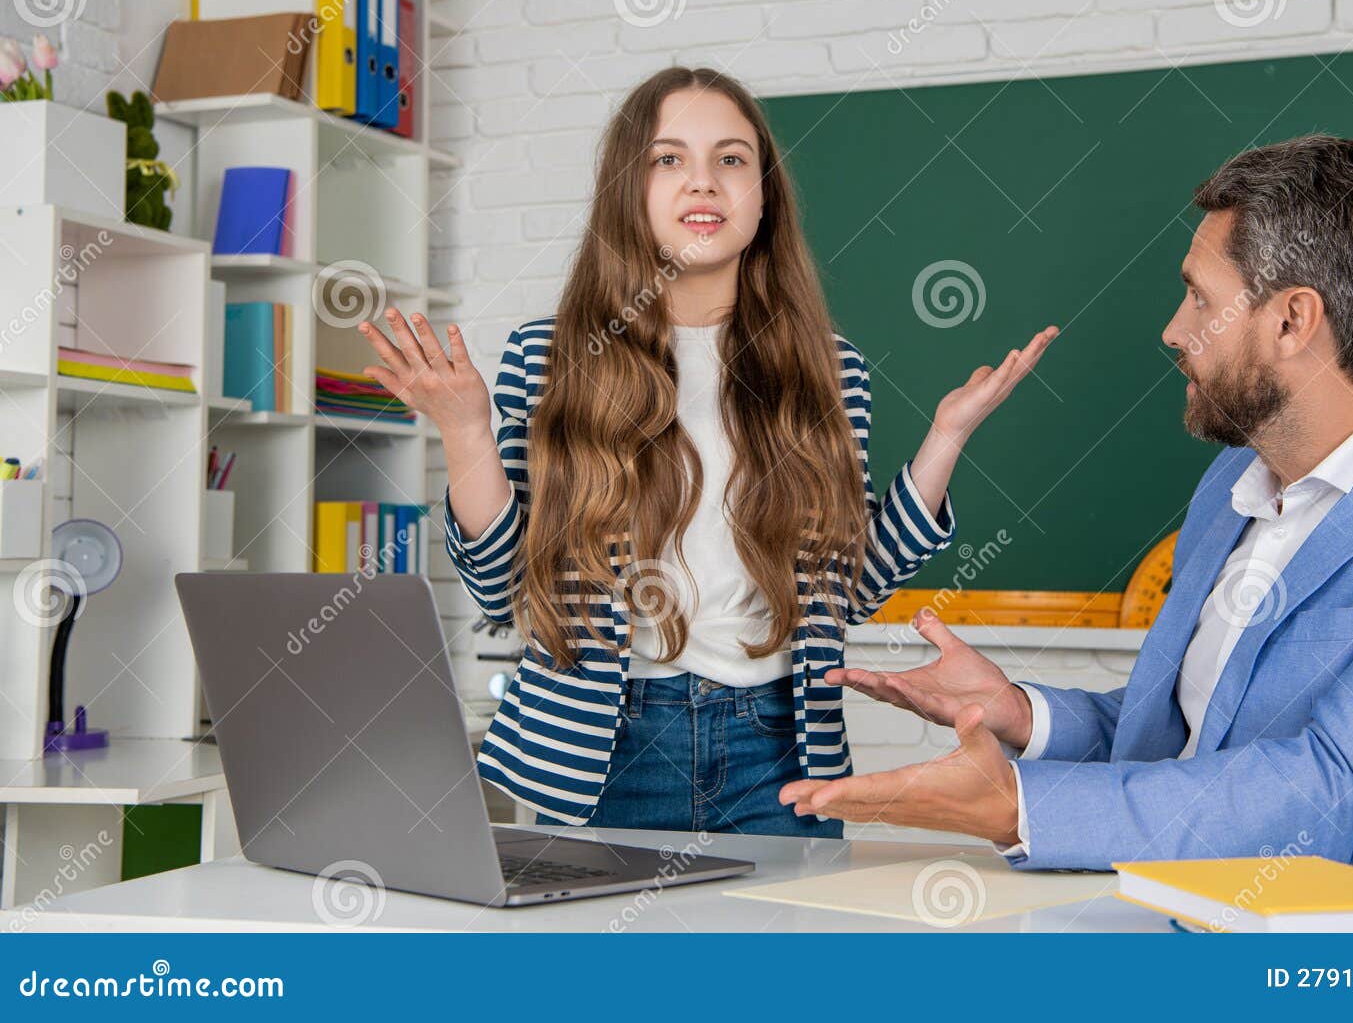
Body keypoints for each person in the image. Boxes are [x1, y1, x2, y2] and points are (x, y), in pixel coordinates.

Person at [781, 134, 1353, 869]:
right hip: (1169, 919)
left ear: (1292, 321)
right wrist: (1024, 716)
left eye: (1200, 299)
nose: (1175, 330)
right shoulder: (1239, 478)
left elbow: (1335, 793)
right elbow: (1194, 740)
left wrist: (1018, 806)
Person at [358, 66, 1056, 837]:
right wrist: (464, 431)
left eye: (731, 159)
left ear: (764, 197)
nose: (704, 181)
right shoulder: (551, 357)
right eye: (669, 159)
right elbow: (501, 588)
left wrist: (945, 438)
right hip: (602, 750)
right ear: (630, 190)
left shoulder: (831, 369)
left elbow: (849, 590)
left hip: (779, 752)